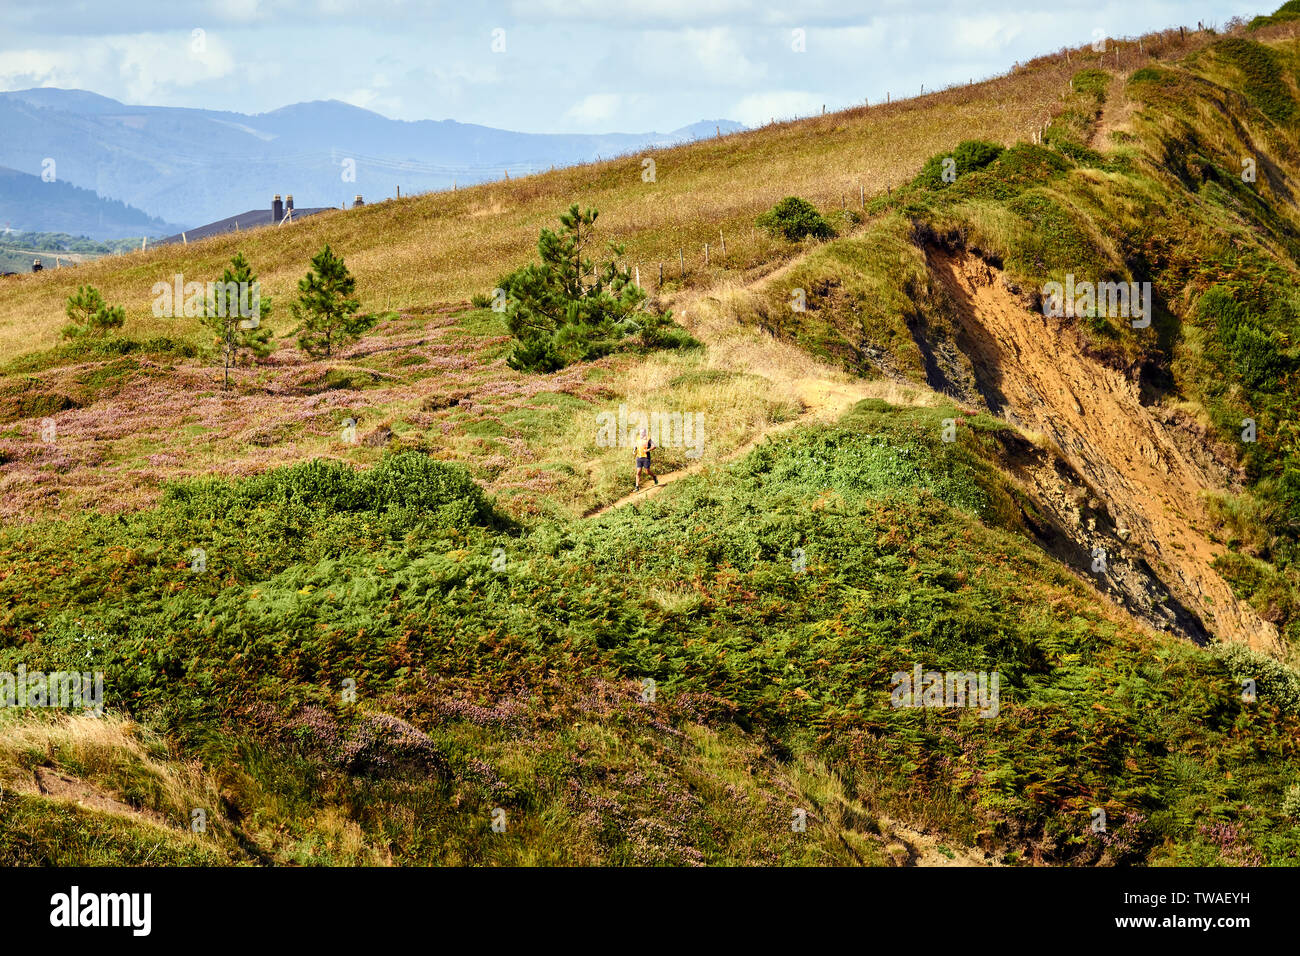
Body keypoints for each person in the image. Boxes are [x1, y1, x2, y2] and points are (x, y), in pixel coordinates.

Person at [634, 426, 658, 490]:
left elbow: (654, 446)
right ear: (639, 433)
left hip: (646, 457)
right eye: (641, 432)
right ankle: (637, 487)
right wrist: (634, 450)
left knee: (647, 471)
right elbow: (636, 445)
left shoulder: (648, 439)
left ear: (645, 433)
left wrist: (648, 450)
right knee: (638, 472)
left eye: (643, 432)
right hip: (639, 457)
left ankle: (654, 476)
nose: (642, 434)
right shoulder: (638, 438)